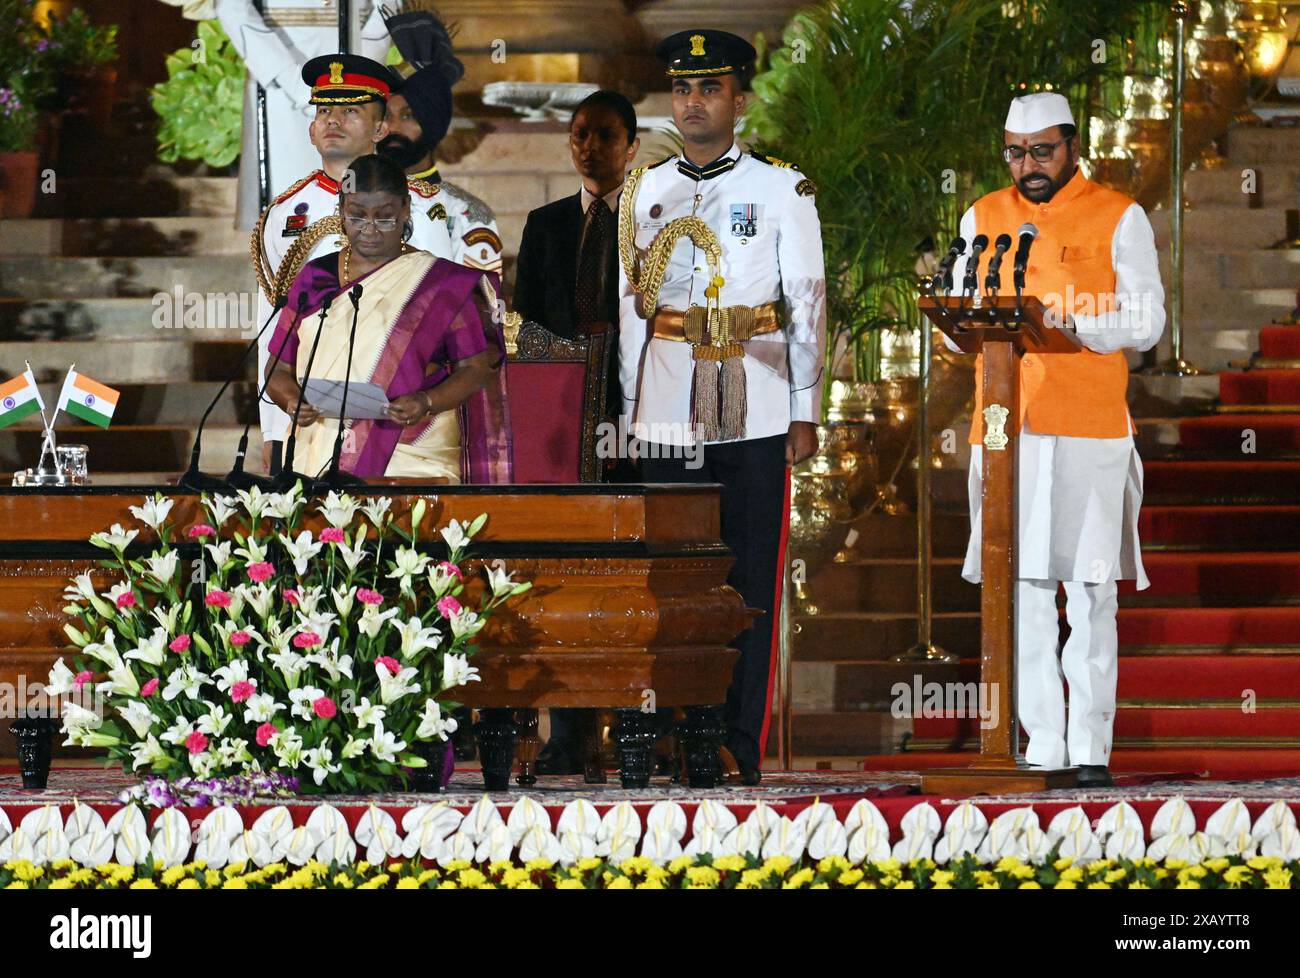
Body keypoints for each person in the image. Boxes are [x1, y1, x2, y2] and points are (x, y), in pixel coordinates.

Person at [618, 30, 826, 783]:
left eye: (710, 88)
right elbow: (631, 306)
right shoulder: (644, 190)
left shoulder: (781, 190)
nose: (694, 102)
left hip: (754, 399)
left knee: (746, 570)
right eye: (683, 88)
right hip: (666, 396)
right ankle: (669, 726)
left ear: (739, 100)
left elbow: (807, 301)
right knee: (666, 571)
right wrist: (629, 404)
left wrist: (804, 407)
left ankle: (735, 733)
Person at [948, 92, 1165, 787]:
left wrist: (1074, 325)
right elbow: (960, 312)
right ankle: (1042, 744)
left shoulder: (1119, 214)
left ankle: (1090, 748)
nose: (1029, 165)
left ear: (1073, 147)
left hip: (1088, 426)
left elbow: (1148, 320)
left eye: (1042, 150)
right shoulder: (983, 216)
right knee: (1022, 589)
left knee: (1090, 588)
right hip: (1006, 427)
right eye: (1016, 153)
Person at [513, 89, 642, 775]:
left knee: (631, 569)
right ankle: (567, 731)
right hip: (564, 418)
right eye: (580, 134)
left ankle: (643, 727)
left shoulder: (650, 223)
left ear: (632, 145)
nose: (590, 147)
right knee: (564, 568)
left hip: (637, 414)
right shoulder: (546, 225)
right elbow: (525, 323)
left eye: (605, 135)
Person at [251, 53, 455, 472]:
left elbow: (440, 316)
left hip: (394, 413)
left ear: (381, 128)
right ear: (311, 129)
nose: (333, 120)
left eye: (350, 111)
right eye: (324, 110)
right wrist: (274, 426)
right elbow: (270, 325)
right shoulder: (284, 212)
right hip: (312, 414)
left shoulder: (421, 207)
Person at [263, 153, 512, 482]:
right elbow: (278, 369)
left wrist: (427, 401)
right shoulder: (314, 278)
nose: (369, 228)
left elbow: (475, 368)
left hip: (411, 450)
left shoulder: (438, 283)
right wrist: (292, 401)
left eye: (384, 217)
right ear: (341, 209)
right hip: (318, 447)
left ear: (405, 208)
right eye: (357, 215)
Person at [215, 0, 391, 229]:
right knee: (283, 220)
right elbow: (232, 7)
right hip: (279, 77)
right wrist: (289, 78)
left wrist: (358, 71)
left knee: (358, 214)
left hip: (355, 66)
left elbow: (388, 8)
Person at [376, 5, 504, 274]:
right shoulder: (350, 204)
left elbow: (480, 298)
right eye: (386, 115)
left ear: (433, 122)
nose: (393, 127)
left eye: (409, 115)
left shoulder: (466, 214)